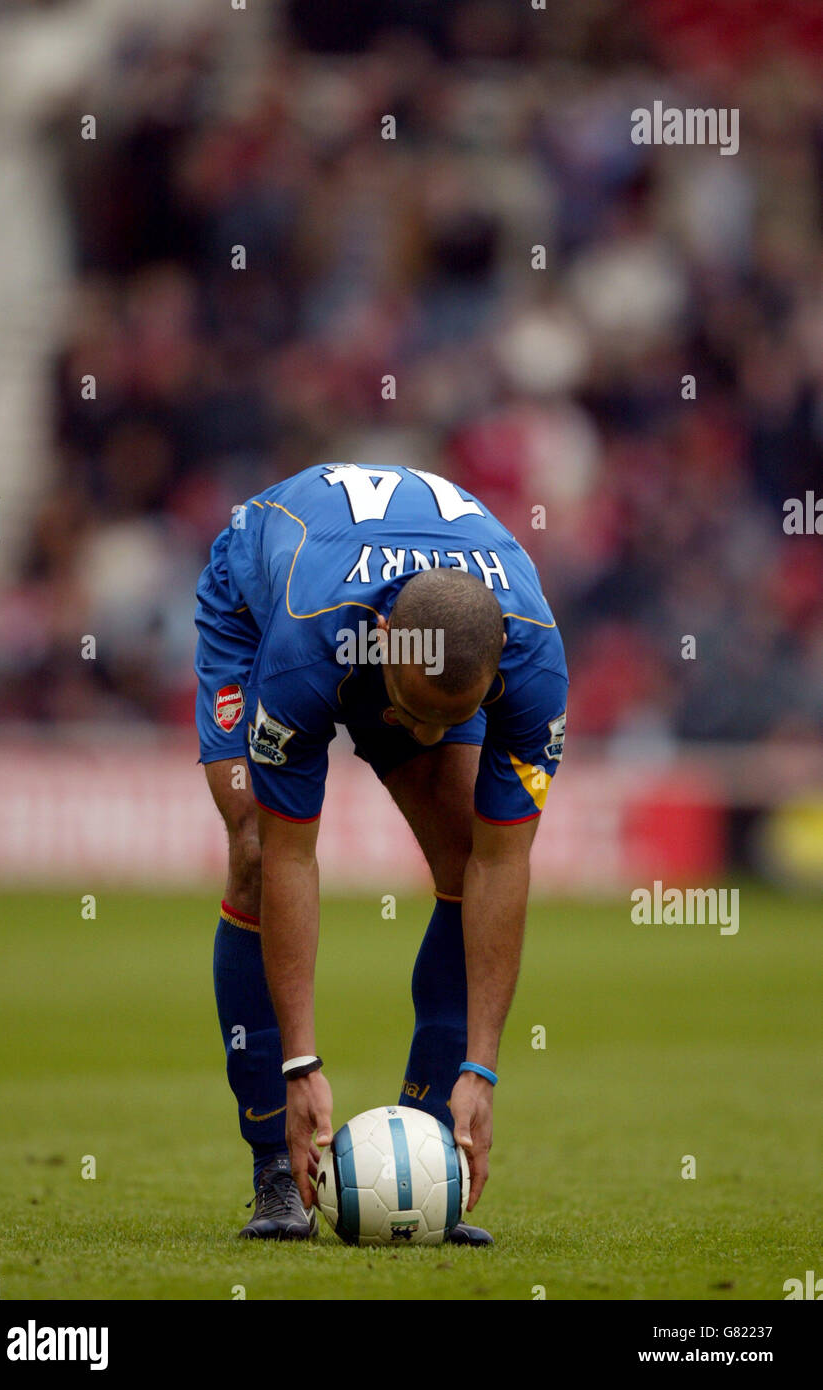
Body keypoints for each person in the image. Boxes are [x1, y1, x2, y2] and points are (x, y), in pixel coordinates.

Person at [195, 463, 568, 1243]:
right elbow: (298, 857)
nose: (423, 736)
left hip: (404, 622)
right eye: (411, 712)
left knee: (466, 852)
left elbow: (504, 866)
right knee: (260, 854)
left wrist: (483, 1069)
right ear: (388, 645)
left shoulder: (534, 664)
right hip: (260, 608)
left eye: (449, 720)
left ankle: (432, 1144)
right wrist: (302, 1065)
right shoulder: (307, 644)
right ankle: (275, 1165)